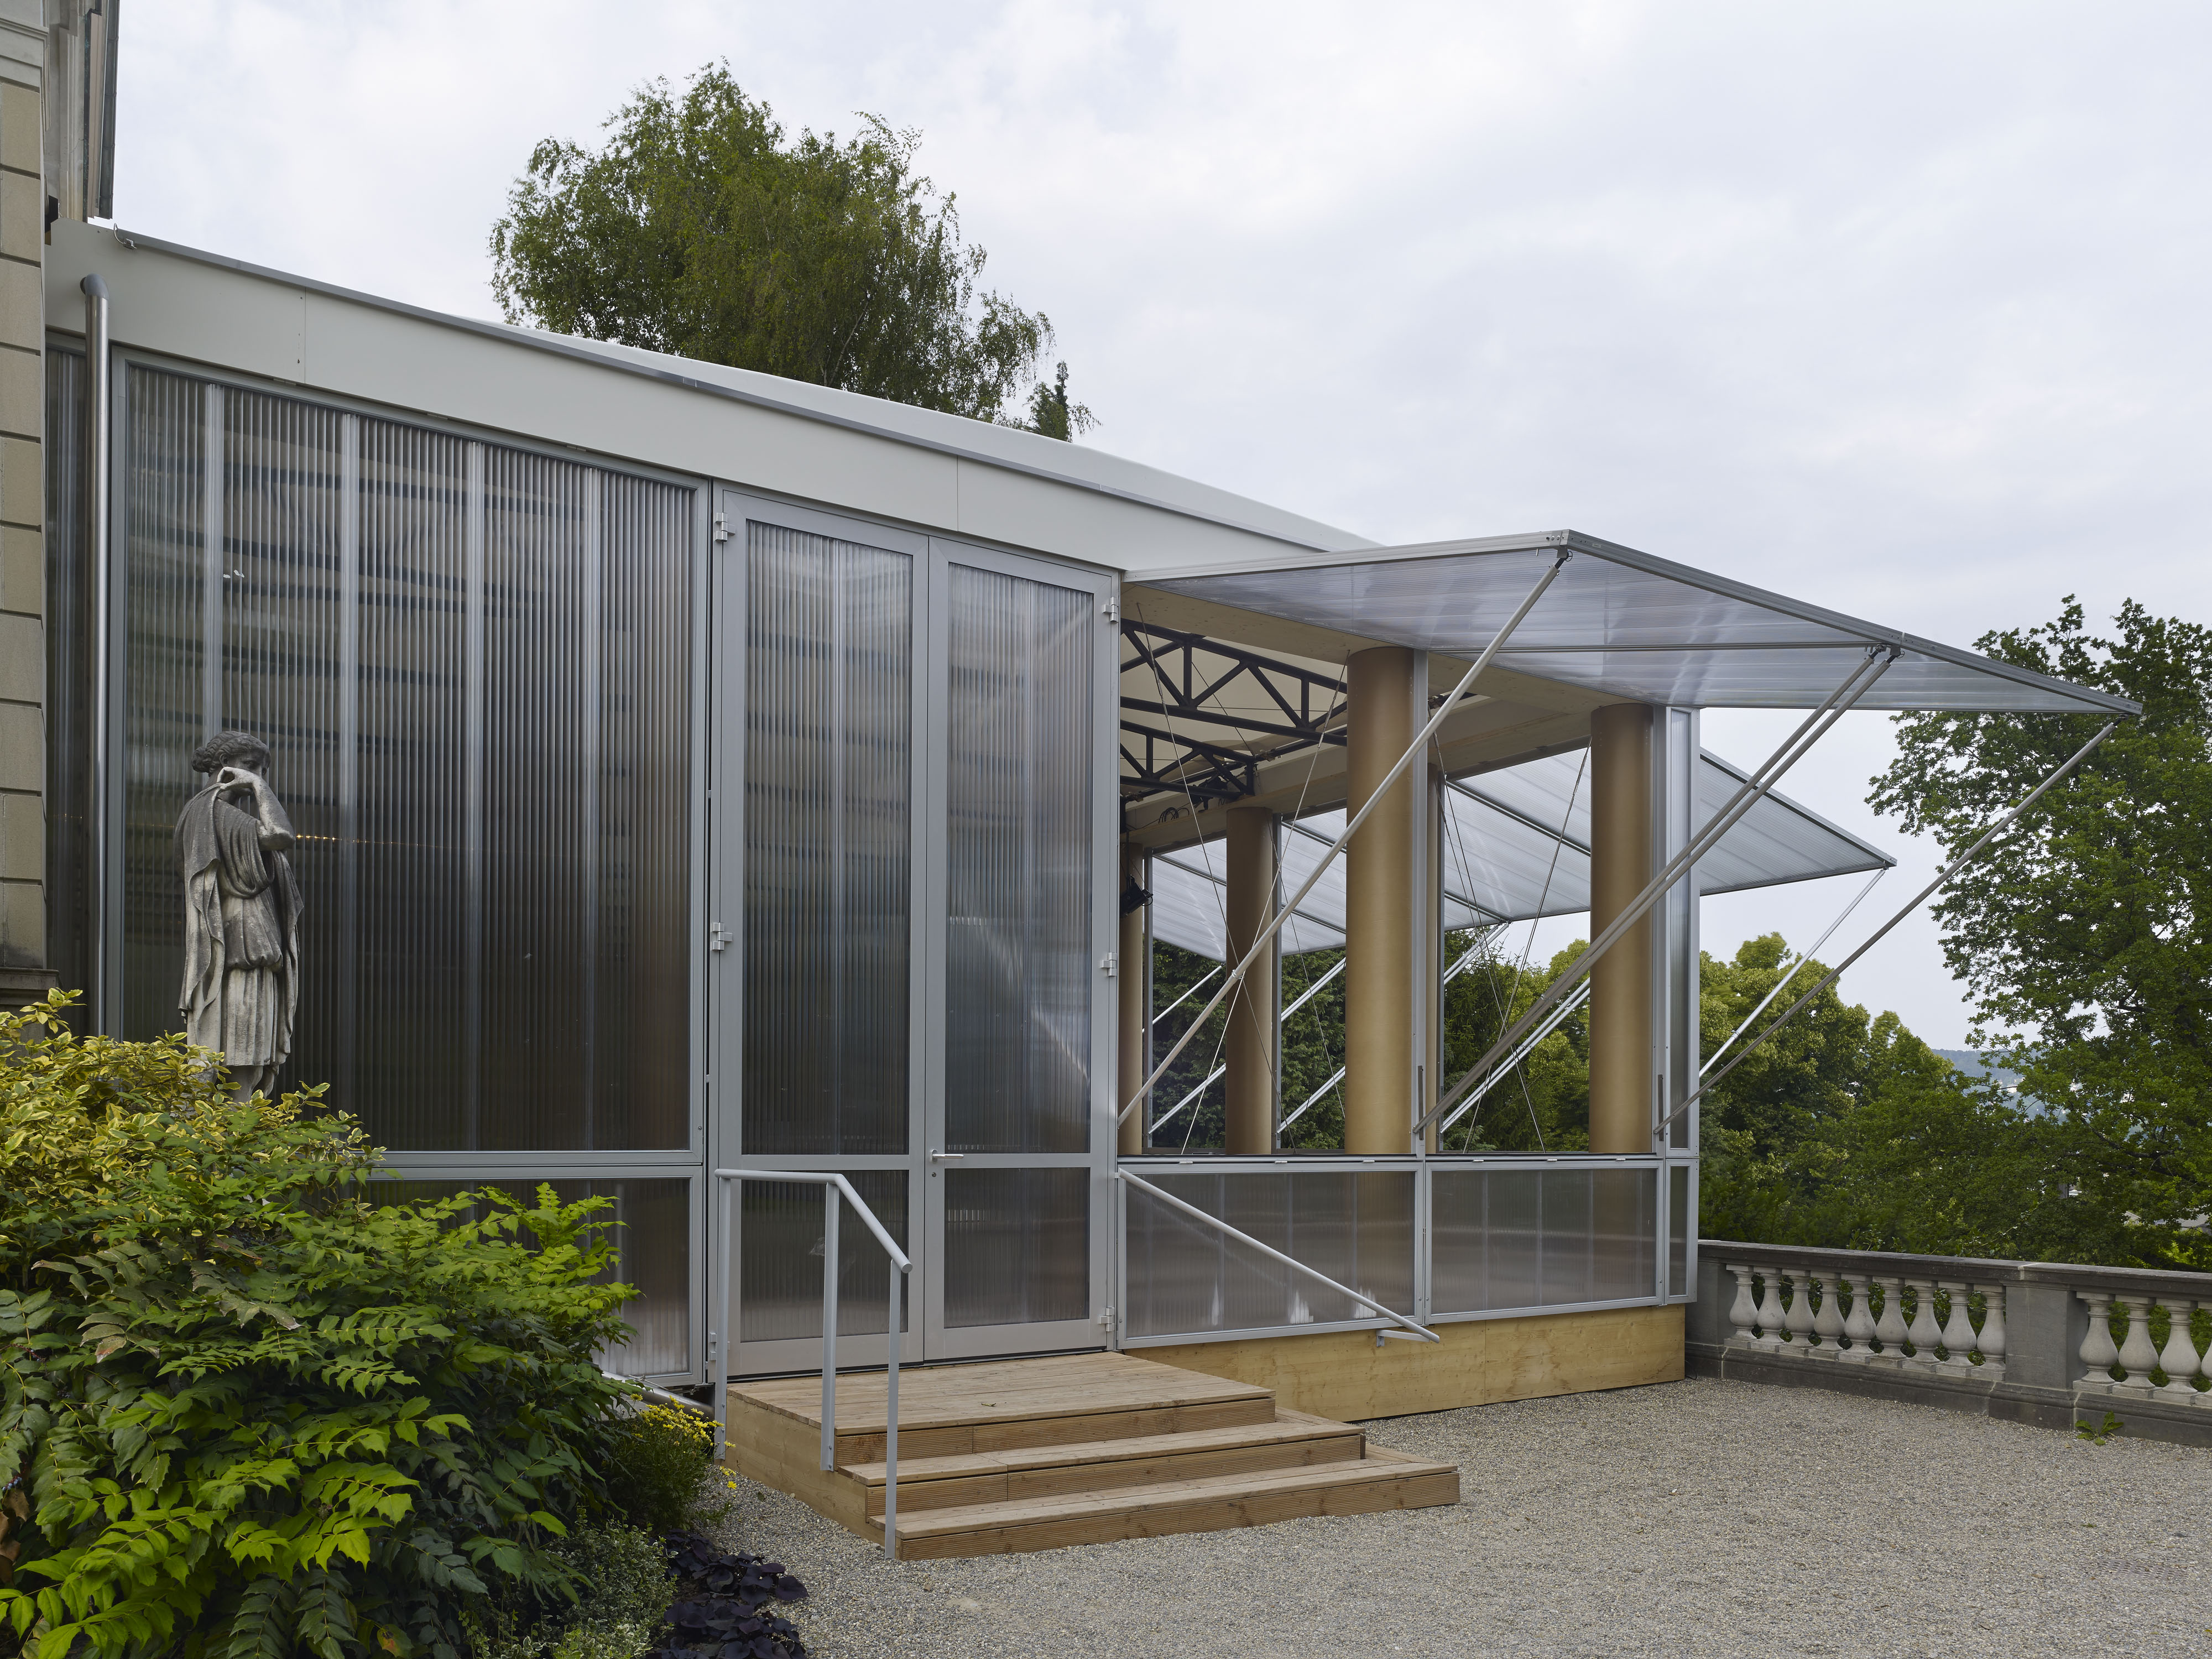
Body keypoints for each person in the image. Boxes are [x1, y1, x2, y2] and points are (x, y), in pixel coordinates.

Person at [176, 731, 301, 1100]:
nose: (257, 775)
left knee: (245, 1052)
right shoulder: (212, 812)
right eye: (250, 766)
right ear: (224, 768)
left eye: (263, 769)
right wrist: (260, 788)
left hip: (249, 944)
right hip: (237, 947)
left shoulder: (218, 817)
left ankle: (238, 1131)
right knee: (236, 1050)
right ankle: (231, 1134)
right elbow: (280, 834)